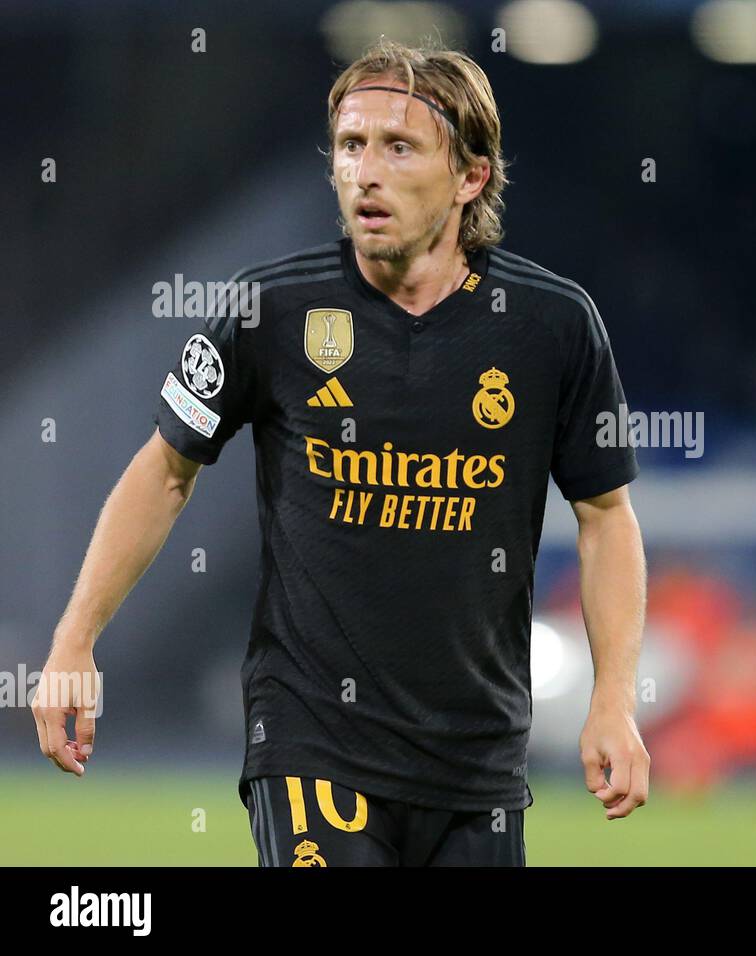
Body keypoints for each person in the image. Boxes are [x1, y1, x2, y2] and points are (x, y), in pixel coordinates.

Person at [32, 38, 650, 867]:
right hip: (311, 741)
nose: (365, 171)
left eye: (399, 147)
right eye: (352, 145)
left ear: (471, 177)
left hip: (478, 763)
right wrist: (76, 638)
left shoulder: (552, 327)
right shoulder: (271, 310)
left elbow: (607, 516)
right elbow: (165, 470)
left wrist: (613, 698)